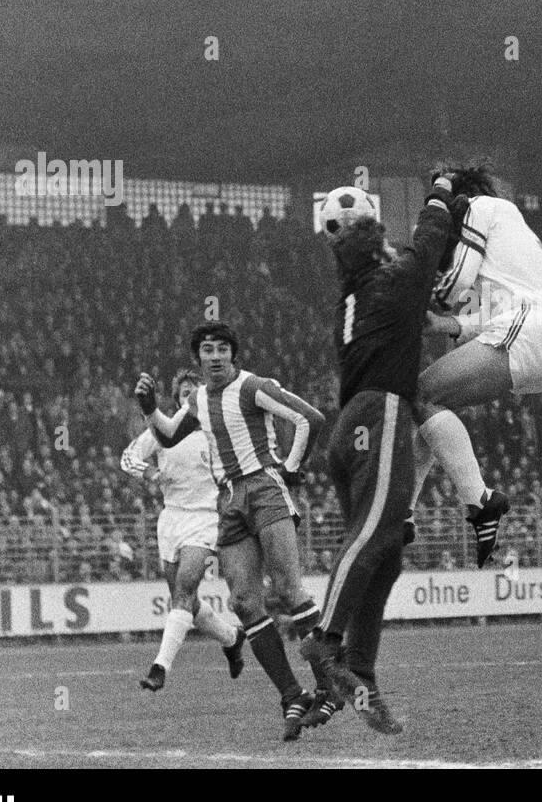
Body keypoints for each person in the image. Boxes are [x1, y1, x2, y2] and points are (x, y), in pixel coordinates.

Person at [299, 183, 456, 734]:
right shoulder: (393, 281)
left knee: (385, 551)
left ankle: (360, 678)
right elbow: (429, 244)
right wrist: (440, 194)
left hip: (348, 428)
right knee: (371, 534)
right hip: (379, 415)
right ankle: (325, 641)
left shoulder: (352, 294)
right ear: (374, 237)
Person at [134, 321, 326, 741]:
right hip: (228, 500)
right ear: (197, 359)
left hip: (264, 487)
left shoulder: (252, 386)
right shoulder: (200, 399)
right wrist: (149, 409)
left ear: (233, 355)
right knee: (242, 601)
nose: (216, 356)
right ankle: (292, 694)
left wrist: (291, 468)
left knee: (289, 591)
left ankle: (330, 685)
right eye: (207, 349)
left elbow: (310, 418)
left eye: (222, 348)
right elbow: (166, 437)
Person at [410, 158, 542, 567]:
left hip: (529, 328)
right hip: (539, 341)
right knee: (429, 406)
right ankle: (405, 513)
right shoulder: (508, 232)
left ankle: (480, 502)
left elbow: (457, 283)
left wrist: (407, 290)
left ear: (460, 198)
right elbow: (486, 314)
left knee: (421, 394)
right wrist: (443, 323)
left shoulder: (481, 208)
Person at [120, 367, 245, 691]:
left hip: (205, 518)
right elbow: (128, 458)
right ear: (176, 398)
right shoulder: (162, 431)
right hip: (171, 519)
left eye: (194, 390)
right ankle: (231, 638)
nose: (188, 395)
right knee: (184, 599)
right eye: (183, 391)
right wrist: (149, 474)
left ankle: (160, 667)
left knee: (185, 590)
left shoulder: (213, 431)